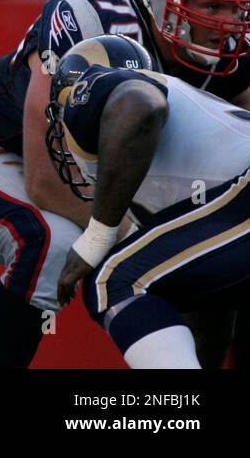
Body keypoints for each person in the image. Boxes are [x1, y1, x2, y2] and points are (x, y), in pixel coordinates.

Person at [0, 0, 250, 368]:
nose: (226, 24)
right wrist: (126, 235)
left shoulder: (229, 47)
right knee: (50, 245)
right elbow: (43, 178)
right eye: (210, 7)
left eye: (234, 7)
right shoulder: (89, 16)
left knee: (199, 272)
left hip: (104, 169)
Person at [46, 35, 250, 368]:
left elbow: (140, 105)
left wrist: (97, 236)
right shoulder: (185, 165)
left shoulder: (108, 84)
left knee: (112, 279)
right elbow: (213, 307)